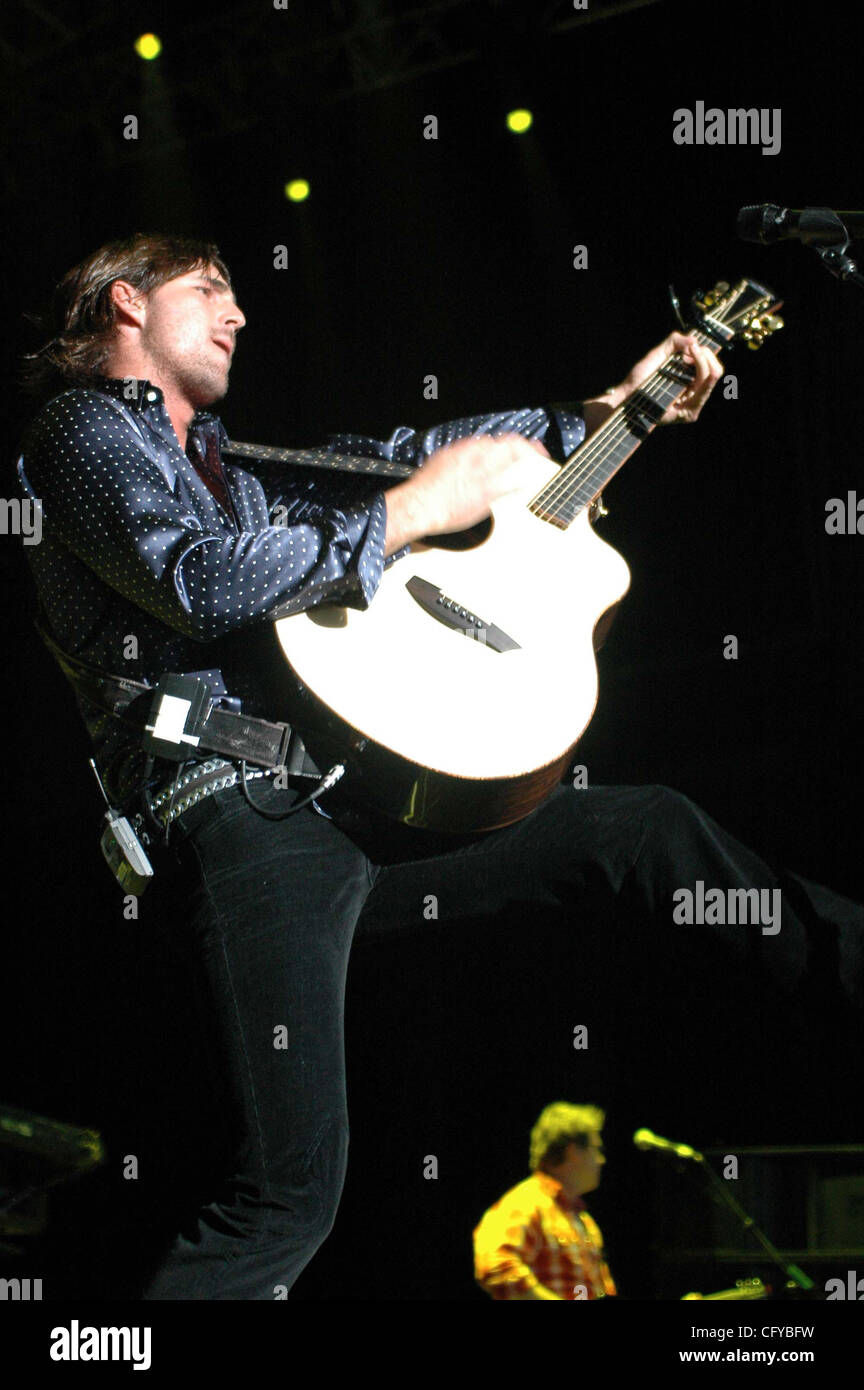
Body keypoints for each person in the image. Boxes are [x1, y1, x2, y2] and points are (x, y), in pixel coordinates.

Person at [15, 233, 862, 1301]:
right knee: (287, 1198)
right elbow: (194, 582)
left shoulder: (233, 467)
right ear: (126, 303)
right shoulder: (77, 429)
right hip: (235, 811)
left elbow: (408, 453)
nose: (239, 314)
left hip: (343, 812)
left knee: (640, 826)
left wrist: (600, 414)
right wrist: (414, 508)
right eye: (210, 289)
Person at [473, 1103, 616, 1300]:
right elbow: (497, 1265)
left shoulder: (583, 1221)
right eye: (597, 1149)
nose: (601, 1160)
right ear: (573, 1151)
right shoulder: (528, 1202)